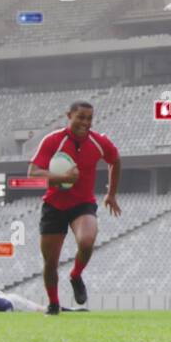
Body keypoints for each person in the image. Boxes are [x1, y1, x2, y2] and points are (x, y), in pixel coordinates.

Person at [28, 100, 122, 315]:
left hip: (82, 204)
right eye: (81, 117)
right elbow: (33, 174)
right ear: (68, 115)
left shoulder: (99, 142)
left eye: (89, 118)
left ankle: (76, 275)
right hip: (54, 205)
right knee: (50, 262)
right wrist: (63, 177)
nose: (85, 122)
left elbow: (115, 161)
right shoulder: (53, 140)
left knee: (87, 241)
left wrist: (111, 193)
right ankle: (53, 303)